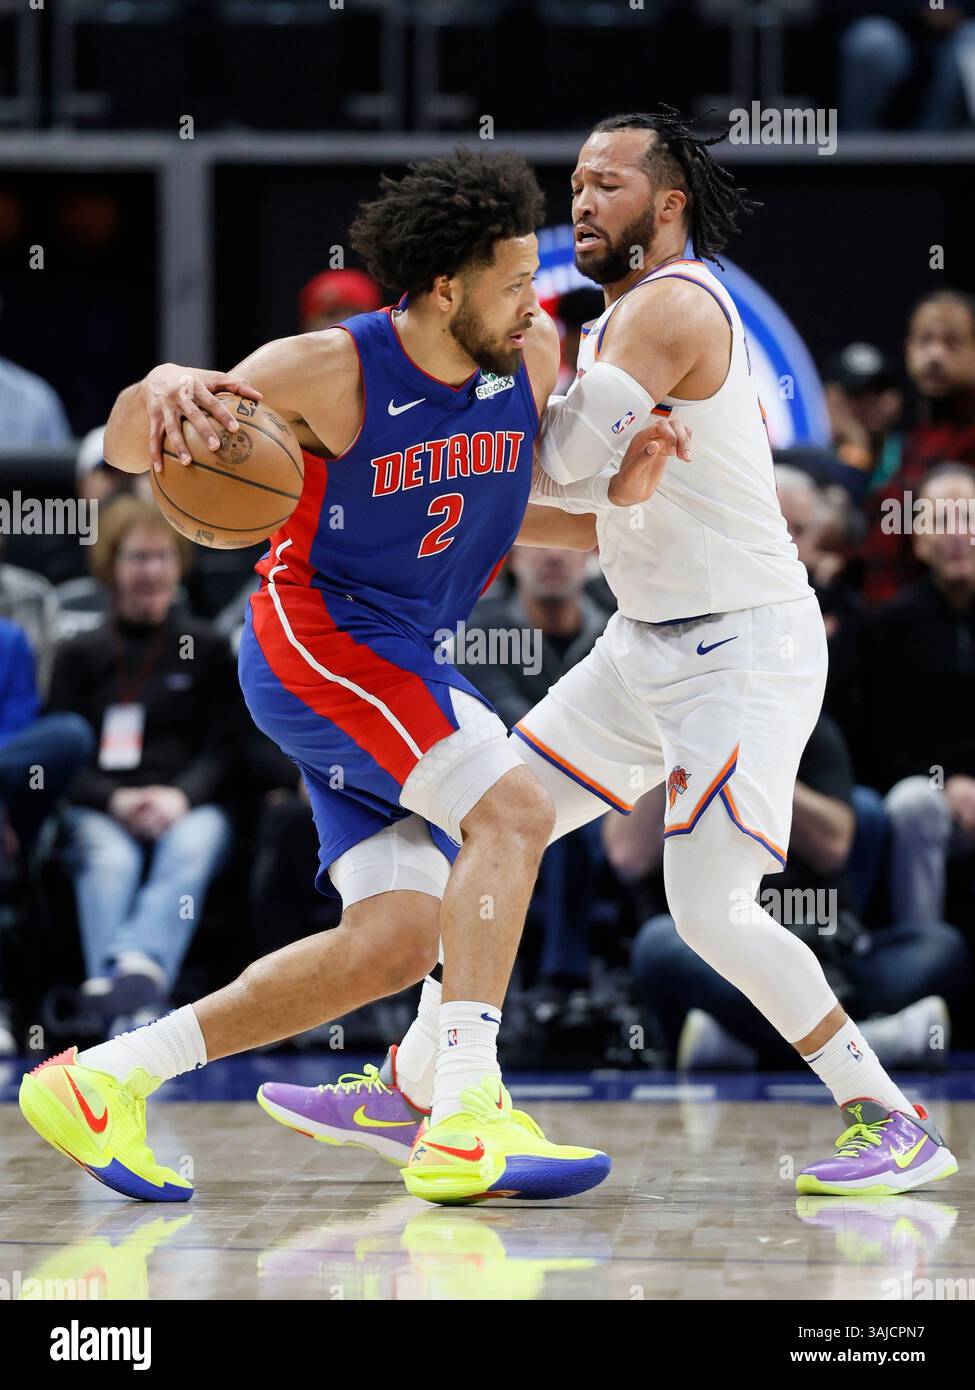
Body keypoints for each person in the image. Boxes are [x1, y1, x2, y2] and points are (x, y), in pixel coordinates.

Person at [266, 110, 958, 1199]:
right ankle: (413, 1079)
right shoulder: (611, 318)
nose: (581, 200)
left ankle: (890, 1112)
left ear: (668, 202)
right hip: (643, 645)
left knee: (710, 907)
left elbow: (562, 468)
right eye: (575, 182)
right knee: (493, 825)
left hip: (744, 646)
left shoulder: (671, 308)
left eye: (608, 183)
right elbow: (540, 476)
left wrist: (428, 433)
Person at [20, 150, 680, 1205]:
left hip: (397, 649)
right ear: (448, 286)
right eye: (512, 281)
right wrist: (165, 385)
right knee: (511, 811)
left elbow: (501, 509)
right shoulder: (333, 367)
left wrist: (616, 505)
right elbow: (134, 445)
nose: (531, 302)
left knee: (396, 941)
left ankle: (107, 1077)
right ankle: (465, 1113)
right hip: (318, 638)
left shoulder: (532, 355)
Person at [629, 712, 967, 1073]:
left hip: (829, 954)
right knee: (655, 944)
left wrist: (748, 766)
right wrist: (681, 752)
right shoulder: (678, 736)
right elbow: (627, 855)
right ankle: (867, 1044)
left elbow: (834, 845)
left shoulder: (809, 728)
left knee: (943, 946)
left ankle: (749, 1048)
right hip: (735, 961)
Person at [45, 498, 239, 1032]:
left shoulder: (208, 646)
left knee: (194, 843)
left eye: (161, 558)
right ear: (111, 566)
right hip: (103, 804)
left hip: (187, 802)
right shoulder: (78, 653)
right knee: (110, 859)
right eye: (136, 558)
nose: (149, 571)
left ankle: (130, 972)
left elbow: (224, 749)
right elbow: (59, 751)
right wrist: (113, 799)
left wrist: (182, 796)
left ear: (178, 565)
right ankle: (135, 1018)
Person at [843, 464, 975, 927]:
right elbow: (884, 744)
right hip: (936, 799)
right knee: (914, 801)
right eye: (941, 521)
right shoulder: (889, 626)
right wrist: (948, 784)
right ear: (918, 539)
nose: (958, 535)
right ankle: (923, 955)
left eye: (968, 519)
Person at [860, 289, 975, 604]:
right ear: (908, 348)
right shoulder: (910, 440)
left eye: (952, 343)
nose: (935, 355)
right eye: (925, 340)